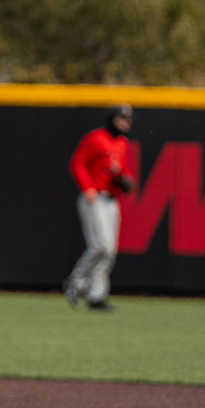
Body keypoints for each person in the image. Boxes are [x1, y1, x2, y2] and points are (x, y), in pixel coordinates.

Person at [64, 104, 134, 312]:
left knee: (110, 251)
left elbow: (123, 171)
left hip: (111, 200)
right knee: (100, 246)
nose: (126, 122)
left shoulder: (122, 143)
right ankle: (75, 280)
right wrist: (87, 188)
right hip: (95, 199)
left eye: (129, 119)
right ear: (112, 118)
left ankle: (97, 295)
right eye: (122, 118)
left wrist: (124, 180)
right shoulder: (95, 138)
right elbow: (77, 163)